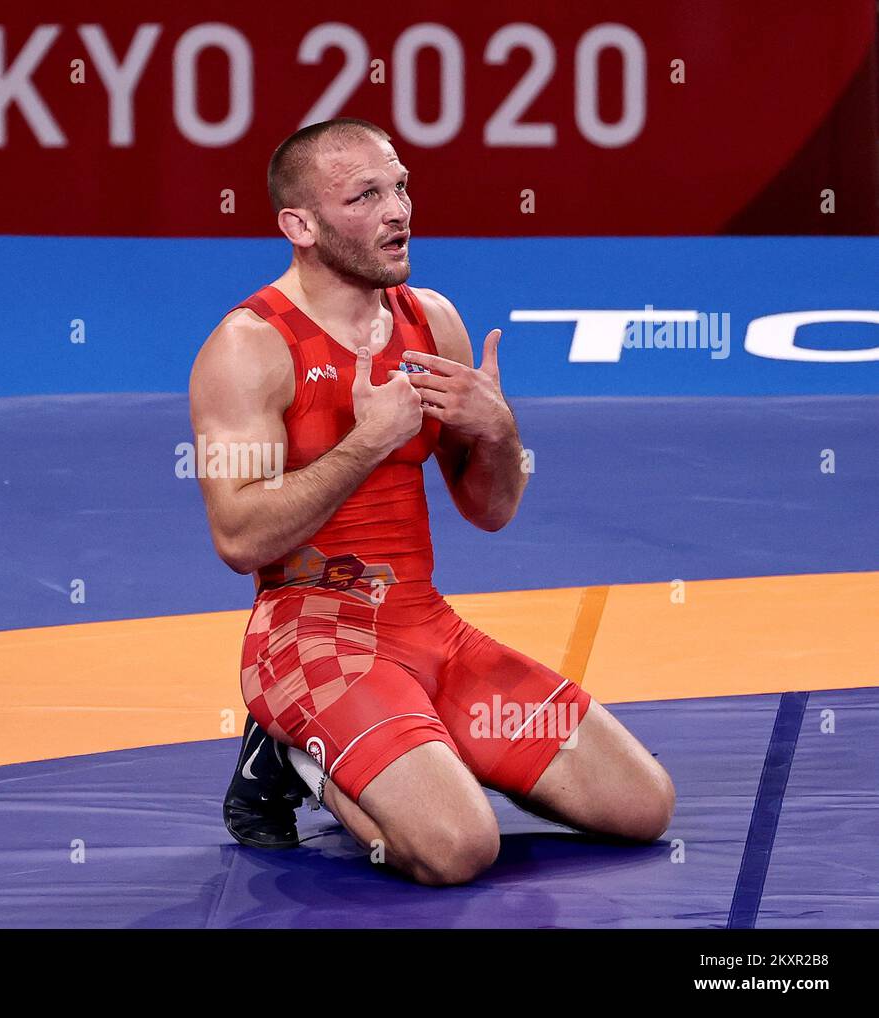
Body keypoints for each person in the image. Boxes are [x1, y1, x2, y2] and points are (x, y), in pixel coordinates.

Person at [190, 118, 674, 885]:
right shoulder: (248, 347)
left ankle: (414, 739)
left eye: (402, 187)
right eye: (365, 196)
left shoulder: (430, 321)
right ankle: (289, 756)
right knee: (457, 848)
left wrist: (499, 432)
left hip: (424, 626)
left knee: (644, 805)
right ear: (300, 225)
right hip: (310, 638)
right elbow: (239, 538)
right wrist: (367, 443)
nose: (398, 211)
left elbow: (490, 510)